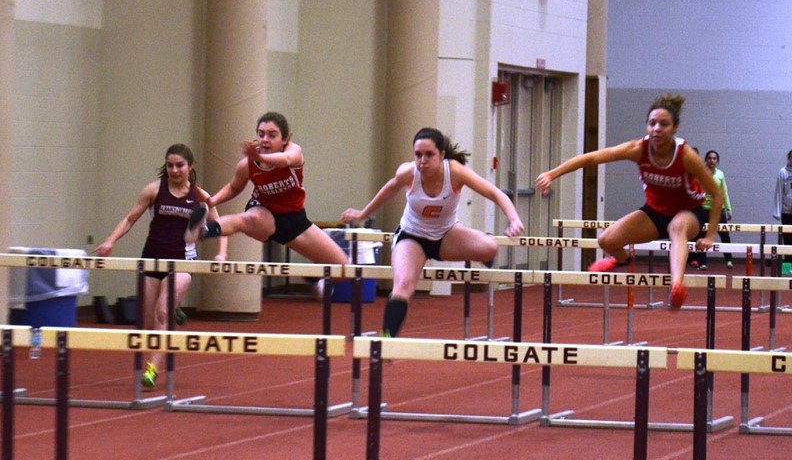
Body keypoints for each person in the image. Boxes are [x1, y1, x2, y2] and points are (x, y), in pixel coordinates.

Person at [535, 93, 722, 310]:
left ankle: (677, 286)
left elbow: (716, 194)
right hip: (655, 213)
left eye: (664, 124)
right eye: (652, 123)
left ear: (675, 128)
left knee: (677, 227)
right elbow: (591, 158)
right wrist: (552, 174)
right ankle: (623, 259)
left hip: (689, 212)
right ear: (646, 126)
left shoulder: (686, 156)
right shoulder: (637, 149)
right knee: (606, 241)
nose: (657, 129)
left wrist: (709, 235)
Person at [340, 126, 525, 338]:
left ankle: (484, 252)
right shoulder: (407, 173)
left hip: (446, 235)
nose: (422, 161)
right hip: (412, 237)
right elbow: (389, 190)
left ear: (442, 155)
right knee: (403, 285)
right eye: (418, 155)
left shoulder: (455, 172)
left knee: (490, 247)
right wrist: (362, 213)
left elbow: (494, 193)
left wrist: (513, 218)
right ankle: (387, 337)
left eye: (429, 155)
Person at [93, 144, 226, 388]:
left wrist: (222, 254)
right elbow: (130, 218)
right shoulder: (154, 190)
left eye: (179, 165)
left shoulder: (200, 197)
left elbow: (221, 226)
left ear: (190, 167)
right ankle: (174, 306)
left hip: (183, 262)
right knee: (145, 321)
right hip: (153, 257)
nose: (174, 170)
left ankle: (152, 369)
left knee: (162, 313)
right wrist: (110, 241)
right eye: (170, 165)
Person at [185, 112, 348, 273]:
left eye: (272, 135)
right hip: (264, 212)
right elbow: (234, 187)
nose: (265, 140)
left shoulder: (294, 151)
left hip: (294, 220)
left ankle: (314, 278)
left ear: (285, 139)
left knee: (344, 269)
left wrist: (261, 158)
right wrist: (212, 201)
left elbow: (286, 160)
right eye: (261, 134)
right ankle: (203, 231)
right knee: (247, 220)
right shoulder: (247, 164)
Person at [690, 150, 733, 270]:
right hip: (704, 209)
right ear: (706, 160)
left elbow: (724, 192)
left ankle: (729, 260)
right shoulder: (700, 174)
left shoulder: (720, 174)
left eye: (714, 159)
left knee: (725, 236)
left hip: (719, 210)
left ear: (717, 161)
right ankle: (702, 262)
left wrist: (729, 209)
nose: (712, 161)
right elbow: (695, 191)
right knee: (702, 236)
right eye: (709, 158)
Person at [773, 149, 792, 276]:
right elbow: (779, 192)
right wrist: (777, 212)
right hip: (787, 212)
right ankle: (787, 268)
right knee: (788, 241)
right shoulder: (783, 172)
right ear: (788, 158)